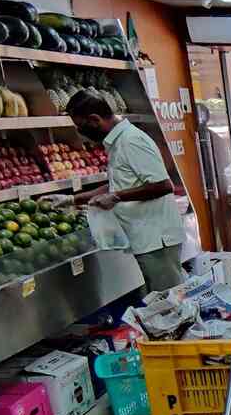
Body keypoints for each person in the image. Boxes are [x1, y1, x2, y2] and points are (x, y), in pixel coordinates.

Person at [68, 90, 185, 293]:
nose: (80, 132)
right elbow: (119, 185)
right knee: (160, 303)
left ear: (95, 120)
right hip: (146, 239)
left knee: (170, 304)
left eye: (81, 126)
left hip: (157, 240)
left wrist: (116, 197)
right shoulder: (118, 142)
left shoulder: (130, 141)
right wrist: (72, 199)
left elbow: (164, 185)